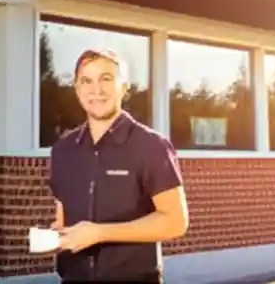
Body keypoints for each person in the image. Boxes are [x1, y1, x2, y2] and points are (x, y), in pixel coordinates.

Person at [48, 47, 188, 282]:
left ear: (124, 87)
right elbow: (63, 218)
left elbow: (176, 221)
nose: (96, 90)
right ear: (77, 89)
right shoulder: (63, 150)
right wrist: (58, 234)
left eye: (106, 78)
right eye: (86, 81)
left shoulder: (152, 146)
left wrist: (100, 233)